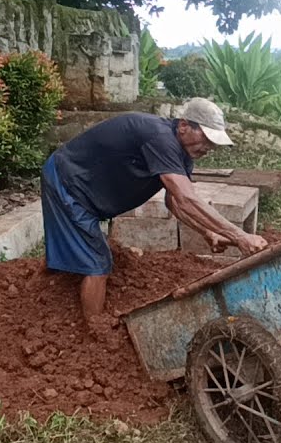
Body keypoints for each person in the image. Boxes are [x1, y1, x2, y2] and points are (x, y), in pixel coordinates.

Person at [41, 98, 268, 323]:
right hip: (68, 183)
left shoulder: (181, 153)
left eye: (213, 143)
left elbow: (174, 202)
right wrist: (239, 235)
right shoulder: (159, 137)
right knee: (98, 264)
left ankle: (47, 288)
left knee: (87, 252)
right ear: (183, 126)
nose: (209, 148)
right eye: (206, 138)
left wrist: (209, 233)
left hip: (84, 192)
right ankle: (95, 330)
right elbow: (186, 197)